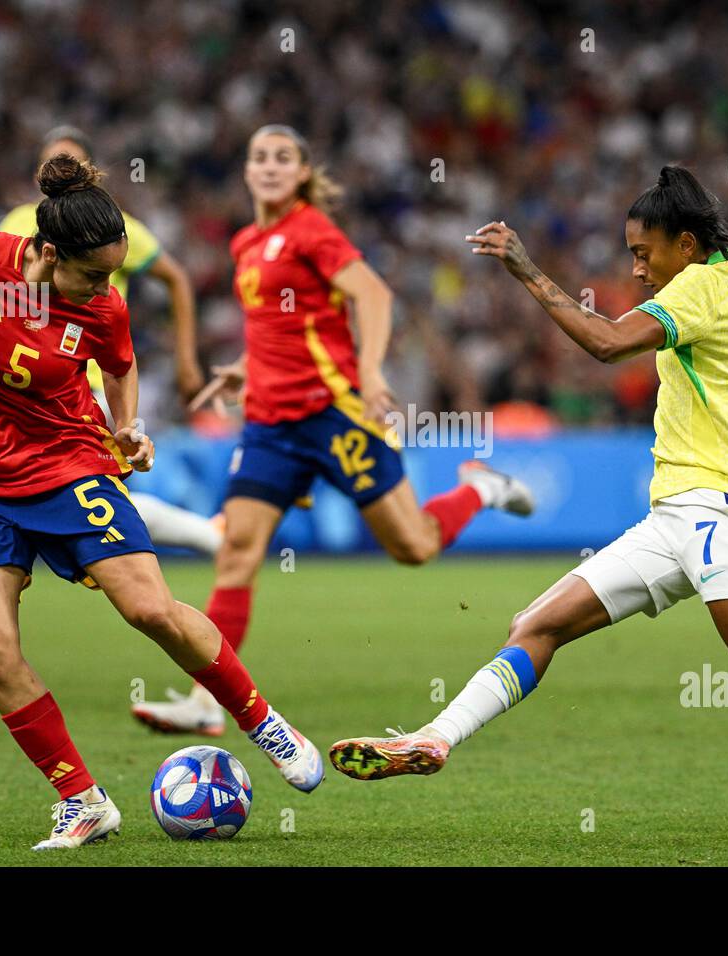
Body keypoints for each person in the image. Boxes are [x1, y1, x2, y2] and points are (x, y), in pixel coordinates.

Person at [328, 166, 728, 847]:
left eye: (645, 253)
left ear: (688, 243)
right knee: (537, 624)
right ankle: (436, 738)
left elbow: (606, 344)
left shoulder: (697, 288)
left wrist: (526, 271)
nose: (638, 270)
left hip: (724, 507)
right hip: (676, 516)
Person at [0, 154, 322, 850]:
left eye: (113, 273)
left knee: (150, 610)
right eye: (93, 273)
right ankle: (82, 800)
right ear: (46, 252)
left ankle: (264, 722)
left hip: (74, 469)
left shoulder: (103, 304)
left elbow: (121, 368)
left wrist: (128, 428)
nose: (106, 288)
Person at [132, 124, 535, 733]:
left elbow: (372, 295)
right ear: (246, 171)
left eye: (283, 158)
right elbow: (279, 326)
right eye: (259, 157)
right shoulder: (246, 242)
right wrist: (249, 369)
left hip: (335, 415)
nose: (269, 166)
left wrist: (370, 371)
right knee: (237, 554)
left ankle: (480, 487)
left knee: (414, 546)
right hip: (269, 425)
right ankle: (205, 702)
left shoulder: (311, 231)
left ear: (300, 174)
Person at [0, 126, 226, 683]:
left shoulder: (120, 230)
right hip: (20, 383)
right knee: (48, 493)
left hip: (81, 381)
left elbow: (174, 280)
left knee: (82, 493)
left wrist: (184, 359)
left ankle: (204, 539)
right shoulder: (16, 226)